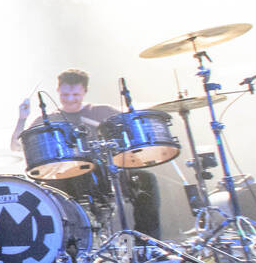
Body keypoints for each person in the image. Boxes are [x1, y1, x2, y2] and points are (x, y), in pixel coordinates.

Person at [11, 68, 161, 238]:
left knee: (146, 180)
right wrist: (22, 118)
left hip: (109, 172)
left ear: (85, 91)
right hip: (67, 177)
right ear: (58, 91)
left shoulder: (102, 111)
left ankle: (146, 245)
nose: (70, 99)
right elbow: (16, 147)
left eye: (75, 95)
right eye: (65, 94)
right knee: (48, 187)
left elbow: (129, 133)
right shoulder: (48, 119)